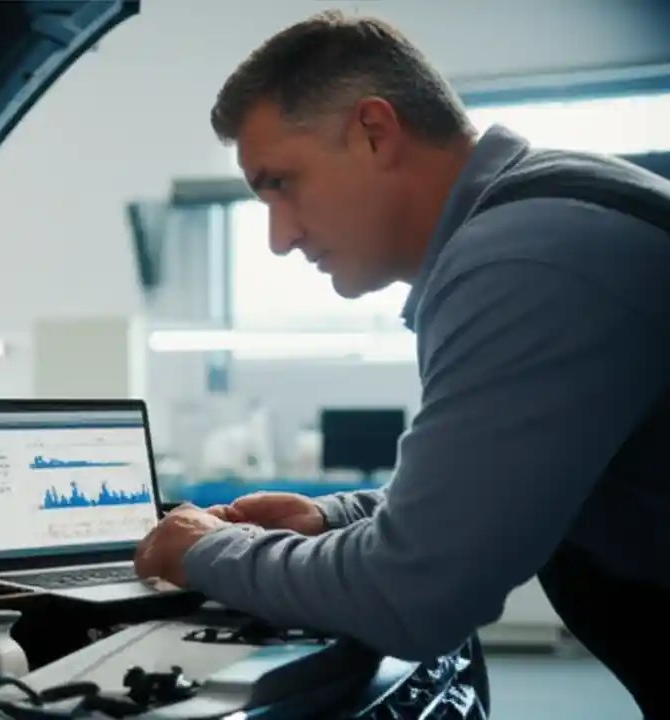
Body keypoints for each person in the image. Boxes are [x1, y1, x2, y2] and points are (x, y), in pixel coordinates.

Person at [133, 10, 670, 716]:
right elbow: (515, 487)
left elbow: (413, 596)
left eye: (280, 184)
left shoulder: (524, 260)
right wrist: (335, 518)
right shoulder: (544, 216)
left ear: (374, 131)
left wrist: (203, 551)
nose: (277, 238)